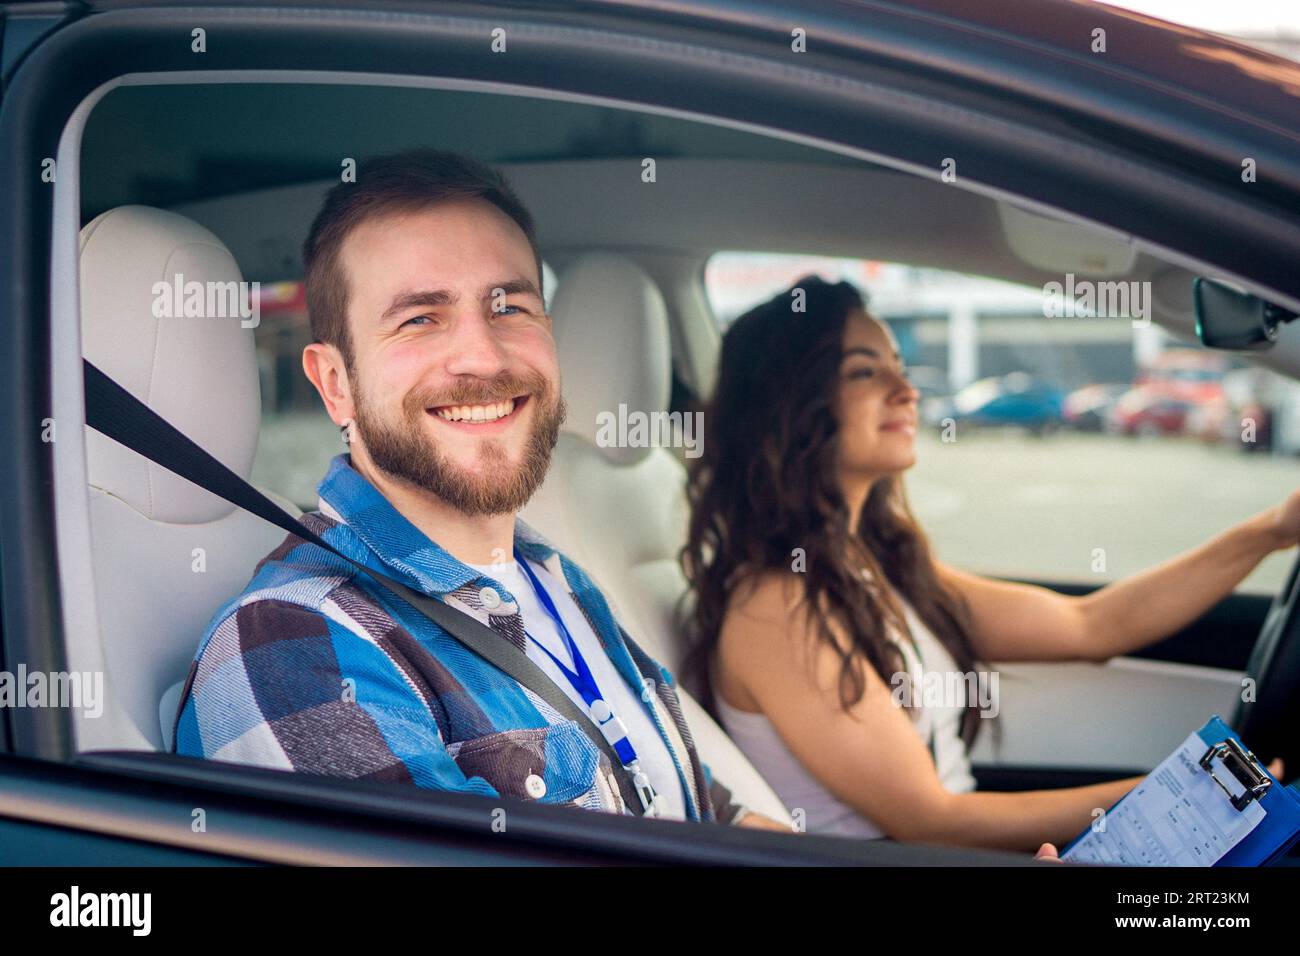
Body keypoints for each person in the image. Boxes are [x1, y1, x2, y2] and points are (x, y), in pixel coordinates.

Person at [170, 149, 792, 830]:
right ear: (334, 383)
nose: (484, 357)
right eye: (419, 318)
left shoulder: (553, 576)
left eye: (511, 307)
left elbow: (673, 793)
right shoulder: (296, 641)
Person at [680, 276, 1292, 853]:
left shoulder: (872, 566)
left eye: (899, 364)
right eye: (865, 372)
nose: (907, 390)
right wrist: (1201, 791)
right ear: (788, 404)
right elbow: (932, 820)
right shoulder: (777, 607)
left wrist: (1271, 531)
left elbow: (1094, 627)